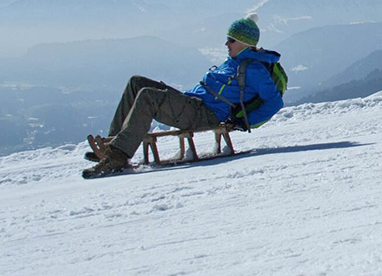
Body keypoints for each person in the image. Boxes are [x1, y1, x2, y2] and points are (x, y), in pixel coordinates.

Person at [83, 15, 284, 178]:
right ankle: (112, 144)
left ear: (243, 42)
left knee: (148, 97)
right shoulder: (234, 60)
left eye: (231, 39)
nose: (226, 43)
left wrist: (243, 121)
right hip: (193, 103)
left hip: (205, 114)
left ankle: (117, 156)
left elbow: (274, 102)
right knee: (136, 82)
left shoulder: (254, 68)